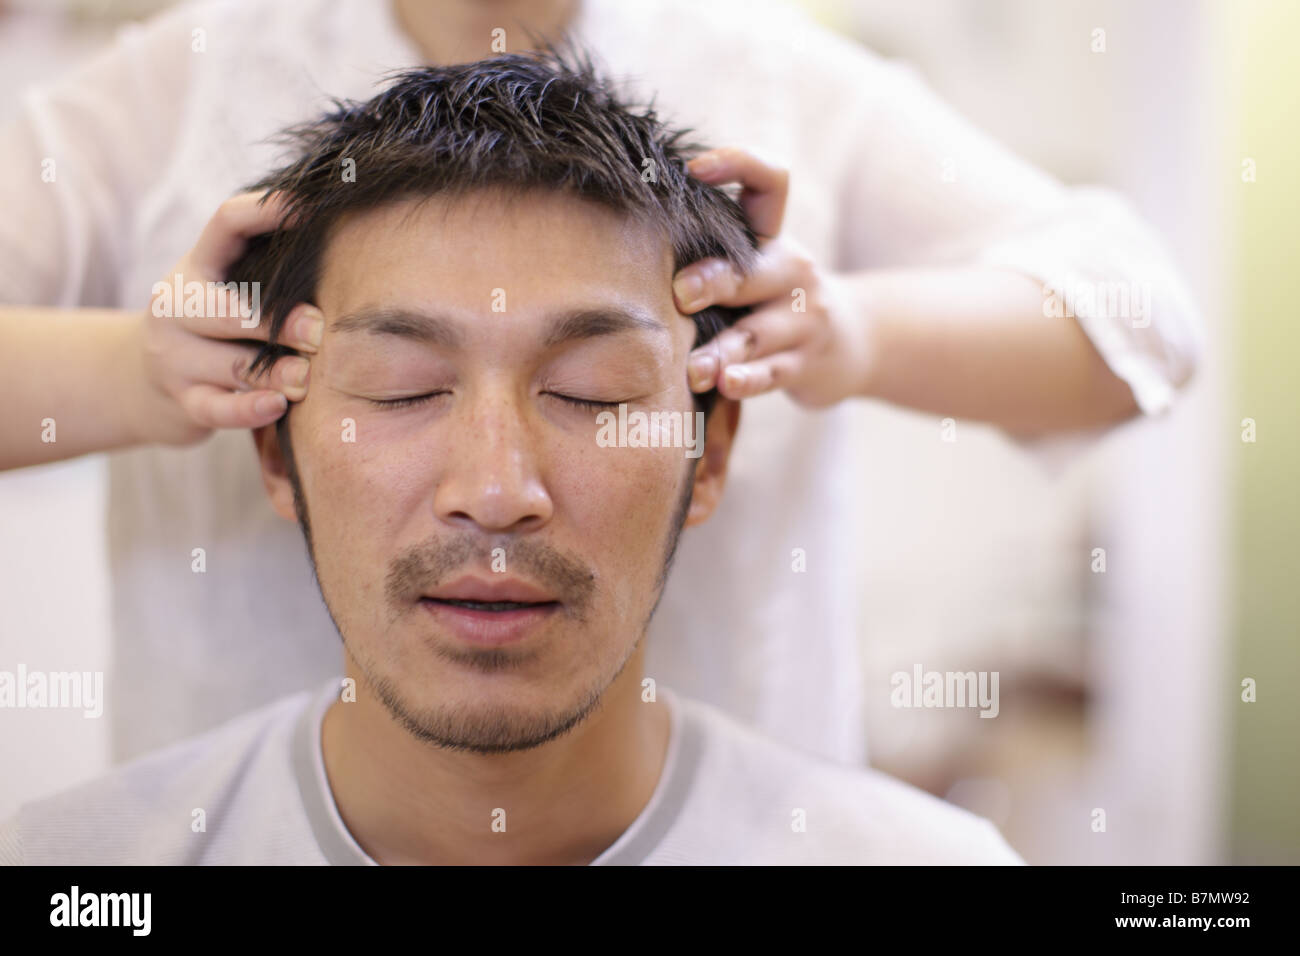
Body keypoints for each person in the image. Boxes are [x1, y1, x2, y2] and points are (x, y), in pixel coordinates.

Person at [0, 0, 1201, 768]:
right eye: (401, 384)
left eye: (588, 387)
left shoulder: (779, 77)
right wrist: (132, 373)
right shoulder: (179, 85)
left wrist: (852, 332)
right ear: (274, 444)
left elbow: (1142, 320)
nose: (495, 487)